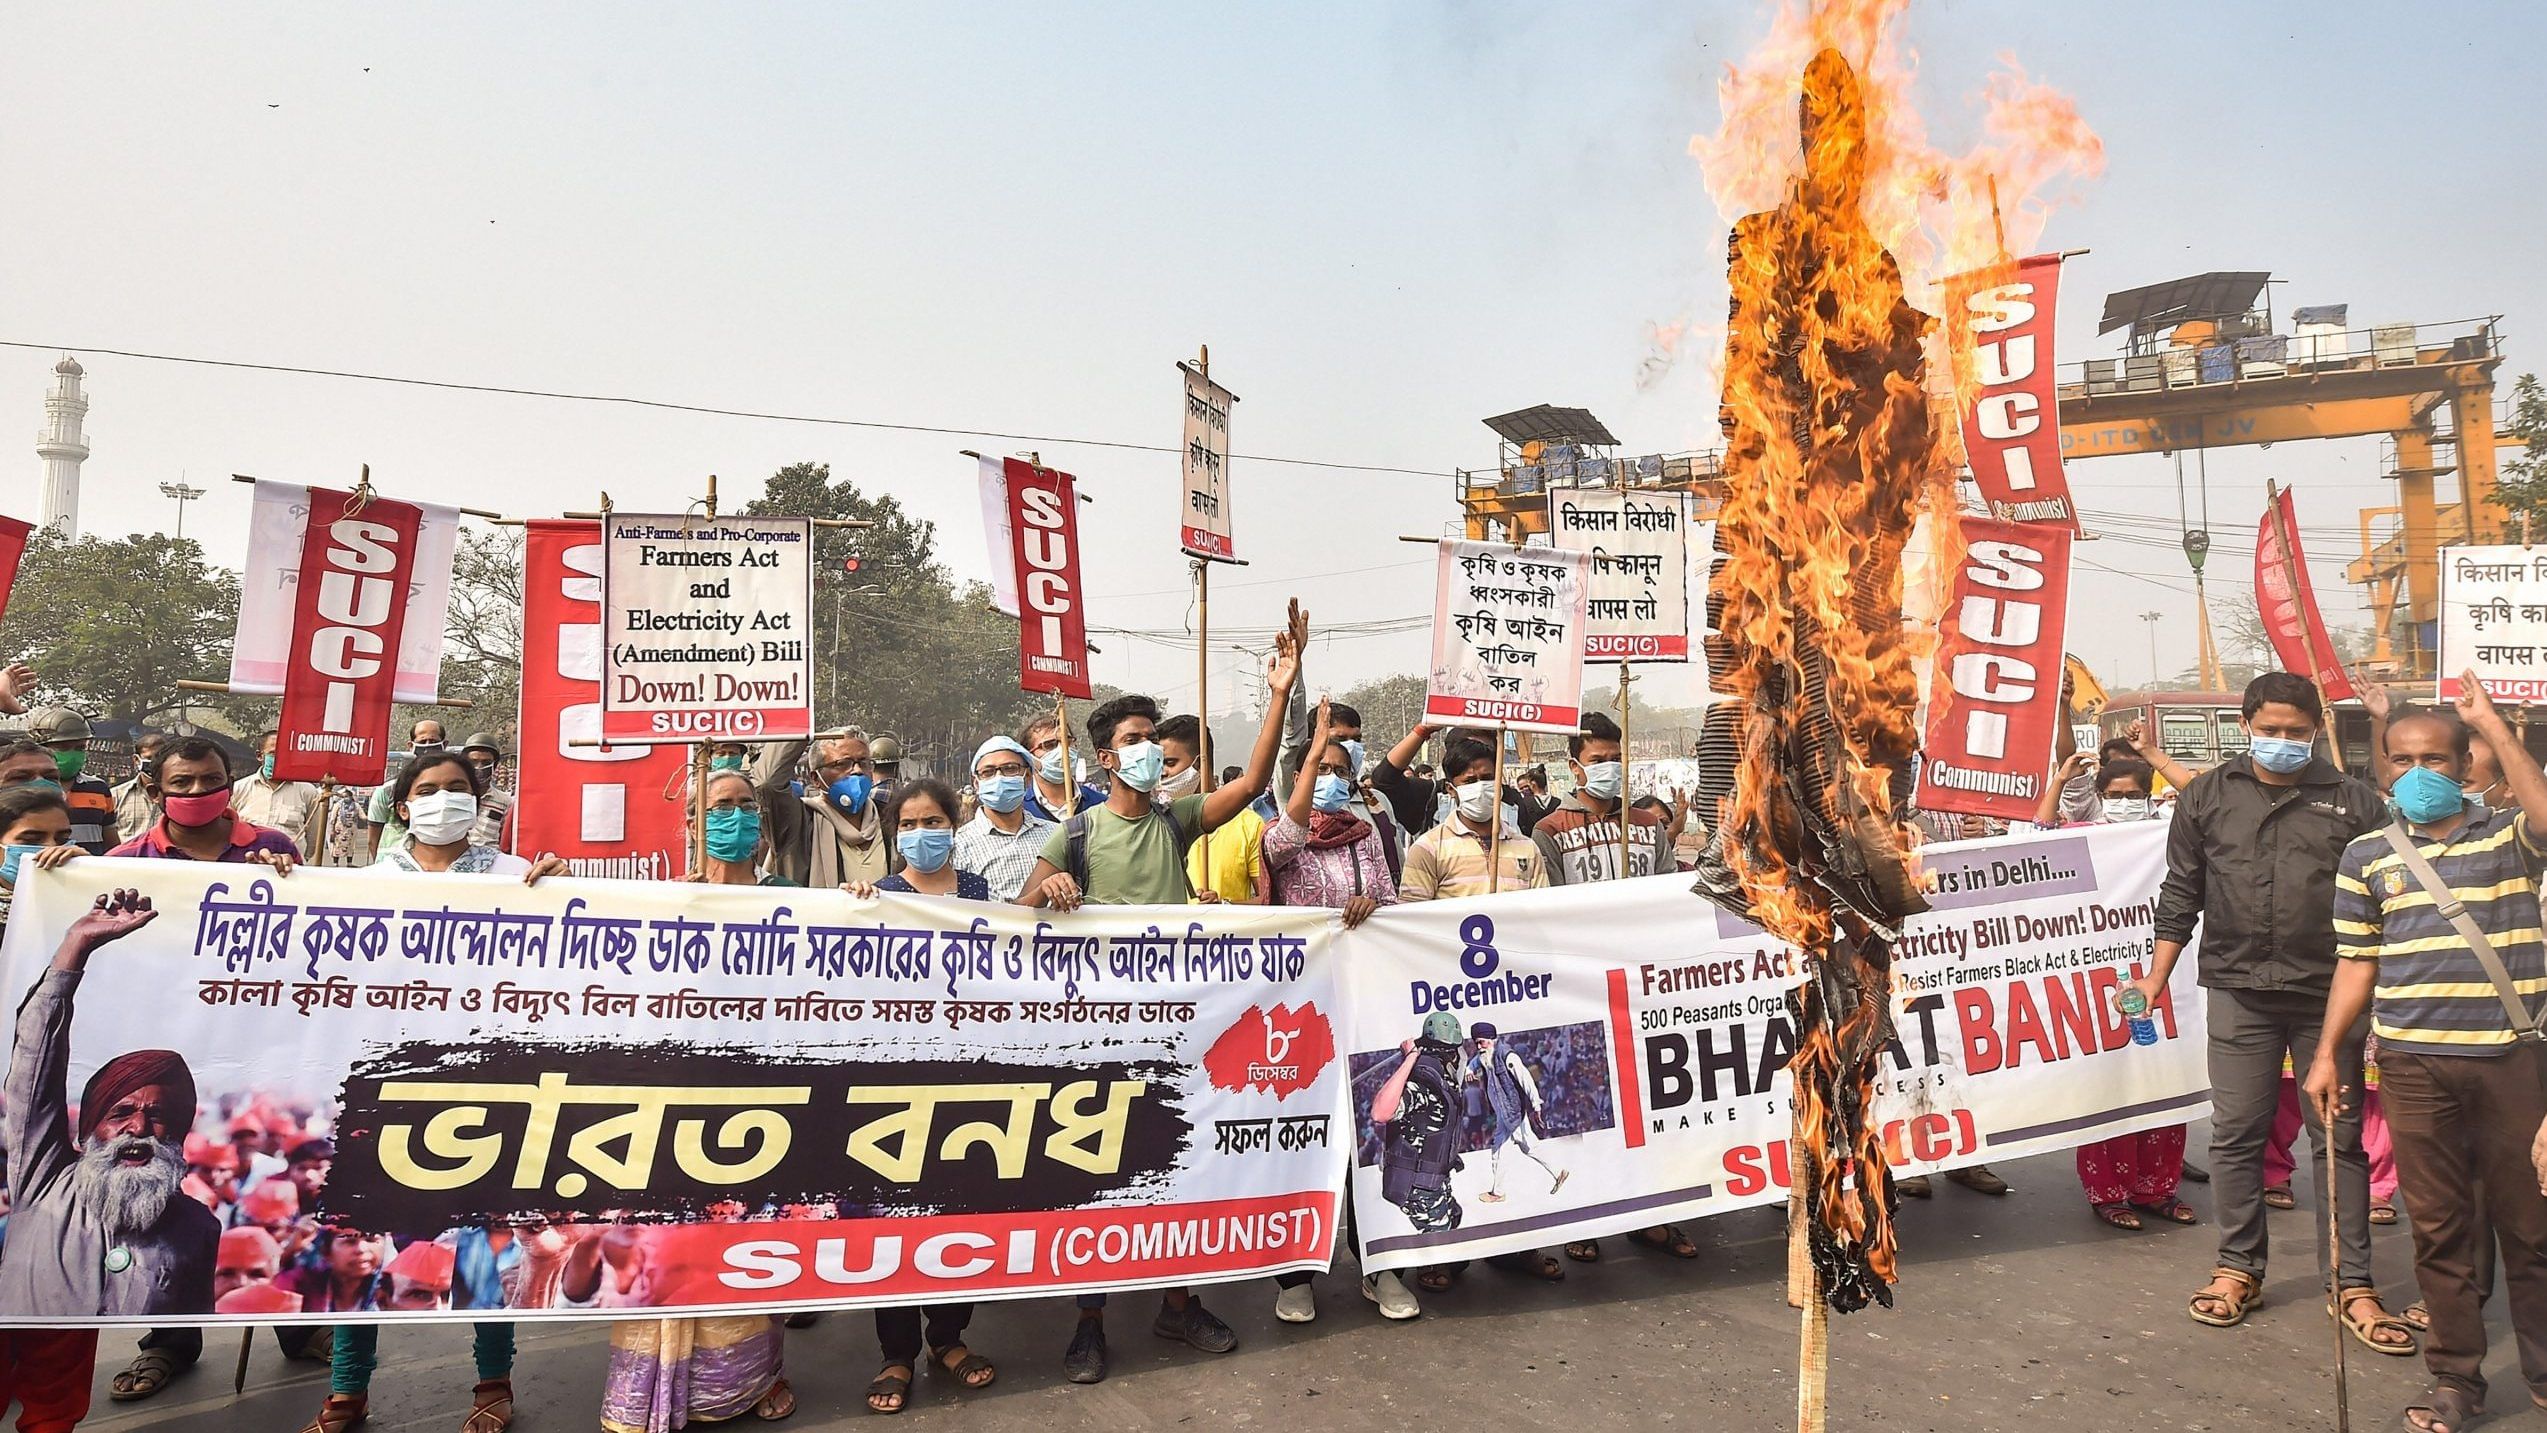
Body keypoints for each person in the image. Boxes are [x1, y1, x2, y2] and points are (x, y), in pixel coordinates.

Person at [1018, 629, 1302, 1385]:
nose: (1148, 750)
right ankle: (1088, 1320)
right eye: (1135, 740)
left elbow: (1251, 786)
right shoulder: (1074, 831)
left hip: (1178, 1037)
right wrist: (1048, 892)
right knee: (1099, 1183)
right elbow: (1015, 922)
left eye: (1153, 738)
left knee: (1178, 1171)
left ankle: (1179, 1299)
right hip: (1097, 1042)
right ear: (1107, 758)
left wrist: (1277, 693)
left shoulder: (1175, 822)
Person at [2123, 672, 2410, 1351]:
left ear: (2315, 729)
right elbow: (2180, 893)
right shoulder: (2205, 796)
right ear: (2245, 724)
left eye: (2295, 731)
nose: (2282, 741)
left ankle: (2350, 1283)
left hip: (2329, 997)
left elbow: (2384, 899)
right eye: (2269, 729)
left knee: (2335, 1139)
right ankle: (2236, 1267)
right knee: (2236, 1134)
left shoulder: (2353, 802)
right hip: (2238, 991)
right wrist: (2155, 977)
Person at [293, 748, 566, 1433]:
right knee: (359, 1240)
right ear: (403, 805)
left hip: (488, 1084)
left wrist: (561, 891)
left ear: (479, 803)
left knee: (484, 1240)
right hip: (383, 1087)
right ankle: (348, 1389)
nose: (444, 798)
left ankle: (492, 1381)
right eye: (428, 788)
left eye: (458, 789)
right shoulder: (371, 880)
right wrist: (284, 884)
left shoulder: (515, 875)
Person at [2305, 684, 2547, 1432]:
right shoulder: (2365, 855)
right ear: (2382, 768)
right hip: (2411, 1065)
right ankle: (2454, 1377)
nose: (2417, 771)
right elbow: (2356, 960)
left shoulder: (2508, 835)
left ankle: (2542, 1370)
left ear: (2464, 761)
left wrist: (2494, 727)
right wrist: (2323, 1054)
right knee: (2437, 1229)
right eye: (2402, 759)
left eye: (2433, 757)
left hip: (2511, 1061)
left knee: (2530, 1226)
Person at [595, 769, 798, 1432]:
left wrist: (857, 904)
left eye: (745, 806)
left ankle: (746, 1380)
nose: (734, 817)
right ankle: (645, 1389)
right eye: (719, 806)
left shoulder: (796, 901)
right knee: (664, 1248)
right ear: (690, 823)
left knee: (743, 1243)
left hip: (760, 1106)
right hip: (669, 1106)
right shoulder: (662, 901)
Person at [844, 777, 1001, 1413]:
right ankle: (896, 1352)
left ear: (954, 825)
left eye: (935, 821)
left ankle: (949, 1337)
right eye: (910, 823)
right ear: (894, 832)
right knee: (895, 1221)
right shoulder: (876, 897)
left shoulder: (981, 894)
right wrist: (850, 909)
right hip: (893, 1083)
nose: (923, 833)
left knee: (956, 1214)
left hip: (967, 1078)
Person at [1263, 698, 1411, 1323]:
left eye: (1339, 769)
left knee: (1368, 1138)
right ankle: (1295, 1274)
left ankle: (1380, 1266)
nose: (1330, 778)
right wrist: (1311, 747)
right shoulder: (1277, 835)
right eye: (1317, 767)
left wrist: (1371, 905)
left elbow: (1391, 899)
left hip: (1360, 1003)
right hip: (1298, 1010)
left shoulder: (1366, 833)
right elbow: (1287, 841)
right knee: (1300, 1138)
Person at [1, 889, 217, 1315]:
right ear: (87, 1131)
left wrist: (162, 1357)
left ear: (178, 1133)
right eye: (120, 1113)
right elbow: (35, 1063)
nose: (138, 1130)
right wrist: (74, 950)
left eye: (157, 1117)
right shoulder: (43, 1181)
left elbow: (186, 1321)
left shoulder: (197, 1225)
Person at [1526, 714, 1691, 1262]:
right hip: (1579, 989)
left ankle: (1652, 1212)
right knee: (1584, 1109)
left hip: (1645, 986)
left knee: (1650, 1104)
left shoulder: (1647, 824)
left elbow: (1671, 895)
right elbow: (1542, 912)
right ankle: (1583, 1217)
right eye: (1598, 762)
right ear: (1574, 766)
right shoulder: (1549, 831)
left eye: (1615, 759)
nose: (1609, 769)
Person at [2031, 753, 2194, 1231]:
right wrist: (2060, 778)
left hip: (2161, 972)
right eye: (2115, 796)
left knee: (2166, 1079)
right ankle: (2107, 1192)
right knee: (2105, 1082)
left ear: (2149, 796)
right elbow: (2034, 842)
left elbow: (2205, 807)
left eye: (2134, 796)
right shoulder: (2084, 836)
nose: (2124, 804)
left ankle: (2158, 1188)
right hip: (2096, 980)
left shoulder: (2165, 836)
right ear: (2101, 797)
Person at [0, 781, 99, 1431]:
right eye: (29, 841)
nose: (50, 853)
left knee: (57, 1366)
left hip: (58, 1187)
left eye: (64, 838)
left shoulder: (93, 917)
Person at [1398, 735, 1546, 902]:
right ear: (1451, 789)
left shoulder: (1527, 848)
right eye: (1469, 781)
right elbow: (1412, 917)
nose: (1481, 787)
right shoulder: (1428, 849)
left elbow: (1542, 912)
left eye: (1487, 778)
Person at [748, 728, 889, 887]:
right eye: (843, 764)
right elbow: (767, 784)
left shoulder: (890, 820)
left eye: (864, 763)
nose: (857, 771)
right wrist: (799, 724)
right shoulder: (798, 823)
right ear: (815, 778)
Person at [1160, 714, 1260, 903]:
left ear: (1199, 763)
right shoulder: (1156, 823)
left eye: (1170, 763)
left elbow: (1269, 900)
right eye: (1158, 763)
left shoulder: (1249, 824)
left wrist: (1225, 906)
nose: (1162, 772)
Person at [1465, 1022, 1566, 1204]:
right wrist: (1469, 1070)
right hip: (1505, 1113)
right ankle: (1558, 1172)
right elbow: (1475, 1061)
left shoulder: (1507, 1056)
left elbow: (1525, 1078)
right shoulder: (1484, 1056)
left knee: (1500, 1149)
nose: (1479, 1047)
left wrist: (1536, 1104)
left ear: (1491, 1039)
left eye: (1482, 1042)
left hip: (1512, 1113)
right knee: (1528, 1147)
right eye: (1476, 1043)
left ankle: (1497, 1192)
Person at [952, 737, 1055, 902]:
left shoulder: (1055, 834)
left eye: (1010, 769)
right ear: (977, 784)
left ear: (1027, 777)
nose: (999, 777)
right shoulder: (960, 844)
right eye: (988, 772)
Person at [27, 706, 118, 854]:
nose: (73, 754)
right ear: (41, 748)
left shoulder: (99, 788)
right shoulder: (23, 789)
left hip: (89, 874)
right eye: (63, 748)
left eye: (80, 748)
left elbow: (112, 845)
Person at [234, 729, 325, 859]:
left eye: (285, 753)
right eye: (273, 753)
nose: (280, 758)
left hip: (290, 871)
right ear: (260, 756)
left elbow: (314, 839)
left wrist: (300, 860)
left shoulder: (307, 792)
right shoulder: (239, 789)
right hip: (248, 868)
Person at [366, 718, 446, 858]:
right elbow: (373, 840)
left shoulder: (449, 791)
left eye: (433, 741)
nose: (427, 746)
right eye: (422, 742)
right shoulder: (387, 791)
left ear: (444, 744)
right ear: (411, 745)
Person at [1019, 712, 1108, 823]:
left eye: (1068, 741)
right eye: (1049, 745)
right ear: (1029, 757)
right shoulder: (1018, 808)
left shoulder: (1102, 805)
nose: (1063, 751)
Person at [459, 732, 516, 849]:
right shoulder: (453, 797)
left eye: (486, 763)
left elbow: (506, 841)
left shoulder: (505, 801)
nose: (479, 767)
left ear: (495, 766)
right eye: (473, 762)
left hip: (491, 860)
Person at [113, 729, 167, 842]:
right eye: (149, 758)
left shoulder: (177, 795)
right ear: (136, 760)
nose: (155, 762)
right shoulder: (116, 795)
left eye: (160, 757)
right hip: (126, 858)